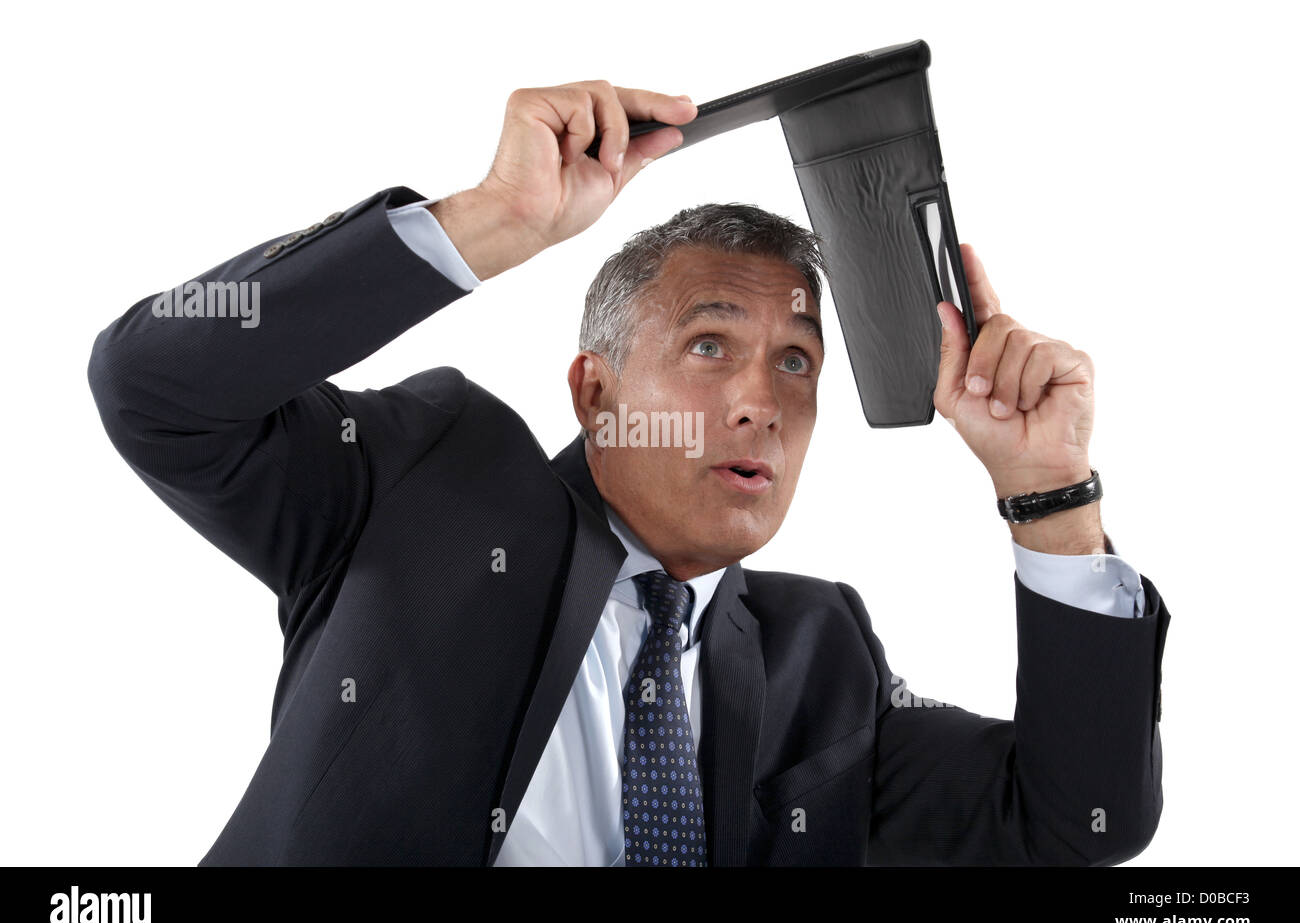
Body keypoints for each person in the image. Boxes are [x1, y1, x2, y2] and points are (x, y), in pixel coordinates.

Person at [86, 81, 1170, 866]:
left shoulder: (821, 655)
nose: (760, 399)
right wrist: (483, 224)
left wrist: (1050, 499)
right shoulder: (428, 481)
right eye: (709, 345)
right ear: (595, 393)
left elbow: (1077, 819)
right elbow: (154, 383)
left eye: (795, 361)